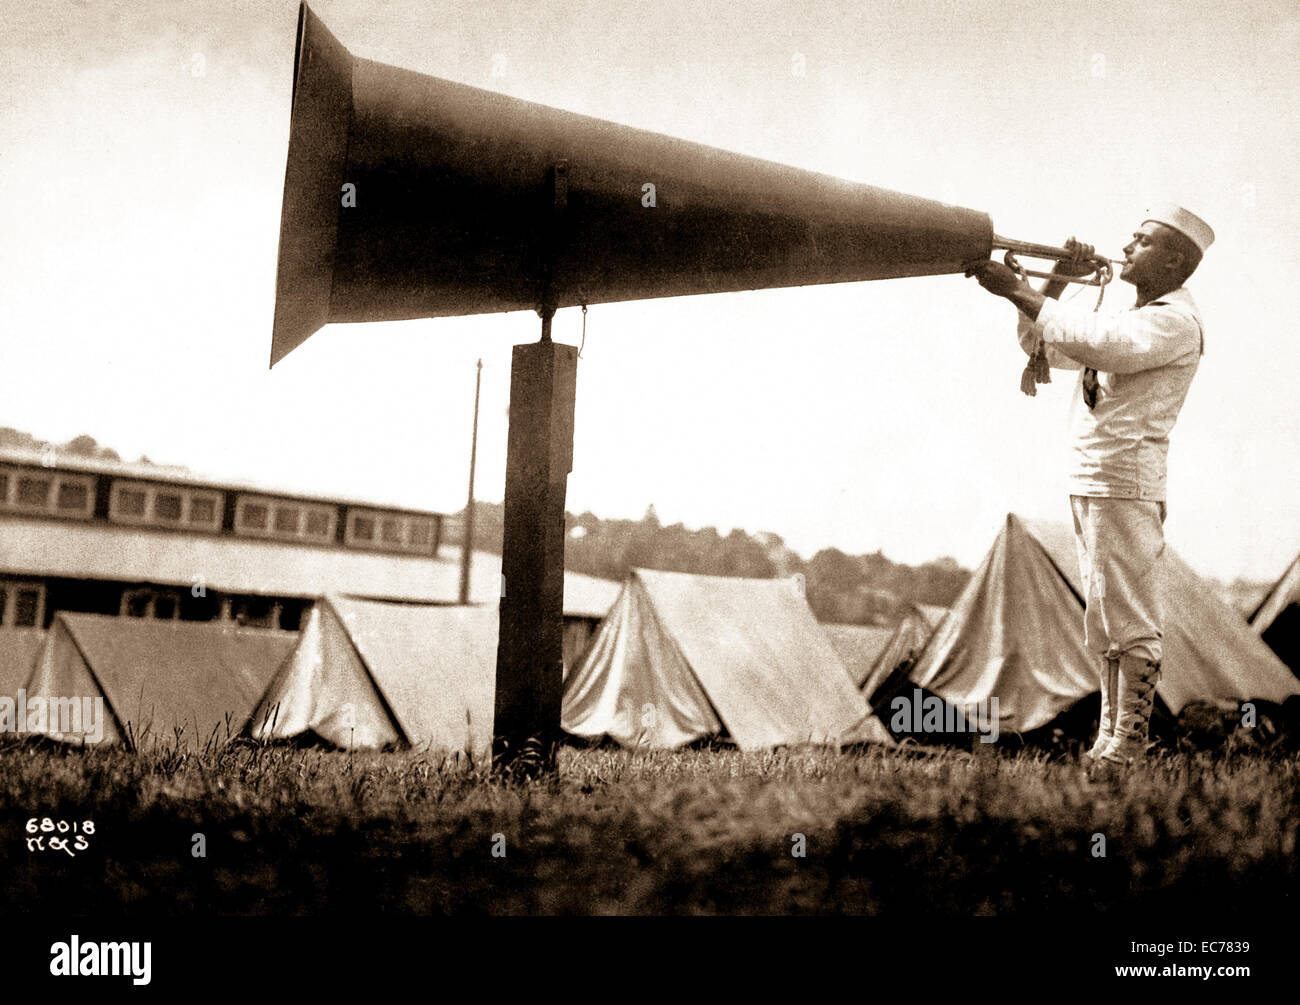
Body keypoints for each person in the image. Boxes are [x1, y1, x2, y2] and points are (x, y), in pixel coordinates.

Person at [965, 205, 1214, 775]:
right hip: (1095, 479)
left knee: (1128, 617)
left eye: (1143, 241)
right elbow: (1043, 343)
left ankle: (1129, 745)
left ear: (1175, 261)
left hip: (1124, 481)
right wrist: (1048, 283)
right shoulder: (1136, 315)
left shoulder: (1174, 320)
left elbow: (1100, 343)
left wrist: (1021, 288)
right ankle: (1109, 743)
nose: (1126, 246)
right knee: (1103, 622)